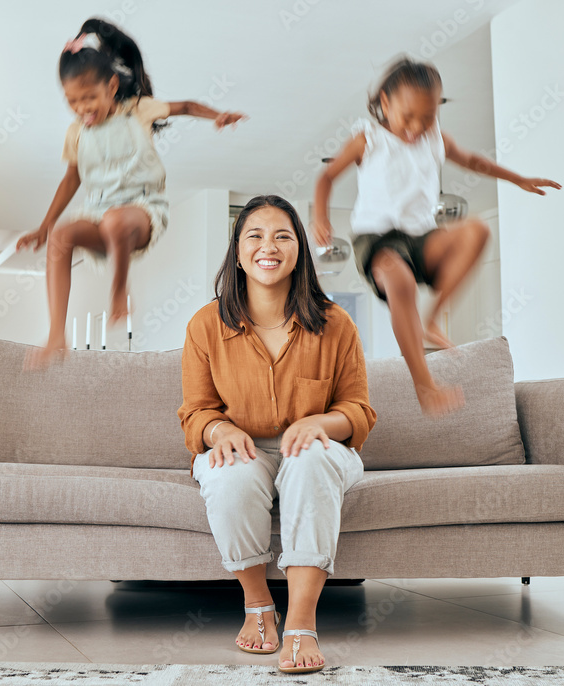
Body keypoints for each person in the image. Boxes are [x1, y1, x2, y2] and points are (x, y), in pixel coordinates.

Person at [177, 195, 376, 673]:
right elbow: (195, 413)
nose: (269, 246)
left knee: (308, 459)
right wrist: (219, 428)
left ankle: (302, 620)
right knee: (230, 474)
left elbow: (359, 411)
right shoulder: (206, 325)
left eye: (283, 236)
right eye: (256, 236)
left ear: (299, 250)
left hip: (320, 448)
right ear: (238, 250)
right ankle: (259, 604)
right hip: (243, 449)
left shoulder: (335, 324)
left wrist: (317, 423)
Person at [312, 56, 561, 415]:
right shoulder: (369, 138)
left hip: (421, 238)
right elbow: (326, 177)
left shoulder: (434, 139)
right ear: (385, 103)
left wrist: (517, 178)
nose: (417, 127)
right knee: (401, 283)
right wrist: (321, 217)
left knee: (477, 229)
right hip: (377, 239)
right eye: (407, 116)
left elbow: (475, 162)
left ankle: (432, 318)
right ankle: (424, 384)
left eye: (427, 117)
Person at [17, 18, 246, 369]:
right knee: (63, 237)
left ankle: (119, 291)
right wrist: (45, 226)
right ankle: (55, 334)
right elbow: (71, 179)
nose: (82, 108)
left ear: (110, 86)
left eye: (89, 98)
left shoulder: (138, 110)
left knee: (116, 220)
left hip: (143, 209)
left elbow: (184, 106)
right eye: (72, 101)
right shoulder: (76, 133)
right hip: (99, 213)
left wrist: (217, 115)